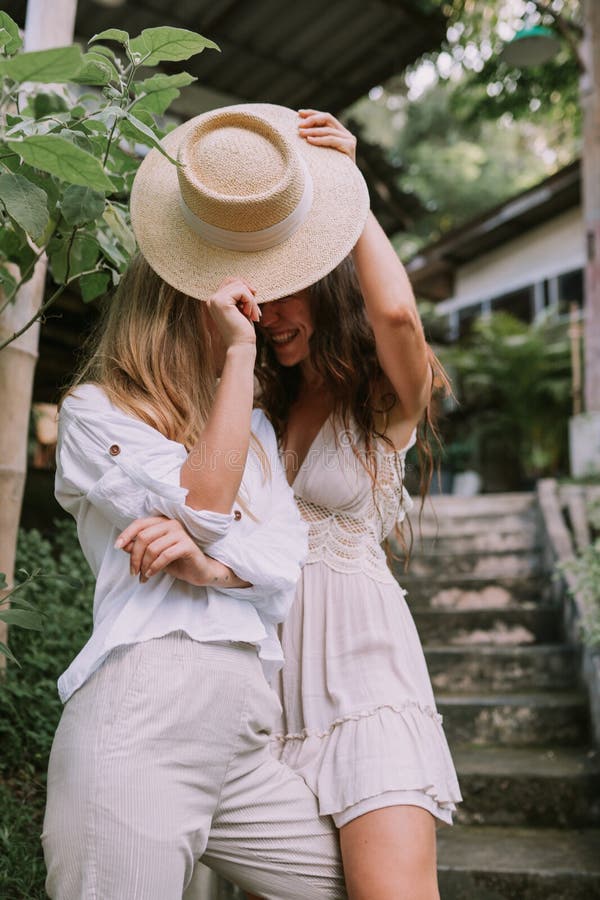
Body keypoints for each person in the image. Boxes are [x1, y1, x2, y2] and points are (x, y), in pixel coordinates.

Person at [41, 104, 361, 900]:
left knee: (352, 884)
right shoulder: (95, 411)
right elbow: (205, 503)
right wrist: (241, 356)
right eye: (251, 304)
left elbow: (281, 566)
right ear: (189, 303)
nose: (264, 315)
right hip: (144, 713)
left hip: (241, 728)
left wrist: (208, 569)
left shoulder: (249, 428)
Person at [252, 110, 464, 900]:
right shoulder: (263, 409)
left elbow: (398, 317)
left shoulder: (381, 406)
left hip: (364, 680)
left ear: (327, 279)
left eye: (284, 294)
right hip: (266, 692)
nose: (269, 315)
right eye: (260, 298)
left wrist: (351, 198)